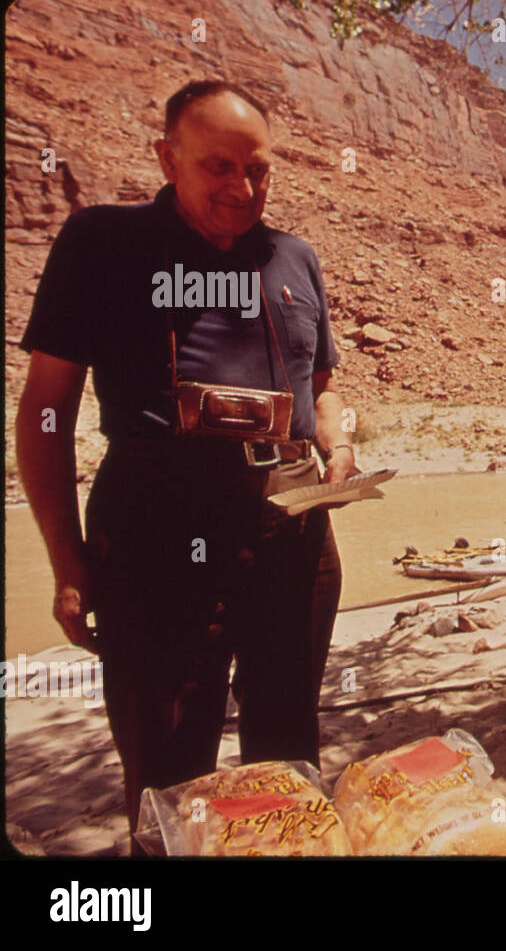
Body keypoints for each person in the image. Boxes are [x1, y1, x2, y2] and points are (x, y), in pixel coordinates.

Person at [16, 81, 357, 851]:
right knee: (170, 772)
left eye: (259, 170)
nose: (243, 188)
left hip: (292, 525)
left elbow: (325, 389)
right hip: (156, 531)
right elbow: (45, 408)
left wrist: (337, 441)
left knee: (288, 752)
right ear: (166, 160)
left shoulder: (296, 257)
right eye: (219, 168)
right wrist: (65, 555)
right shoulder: (101, 242)